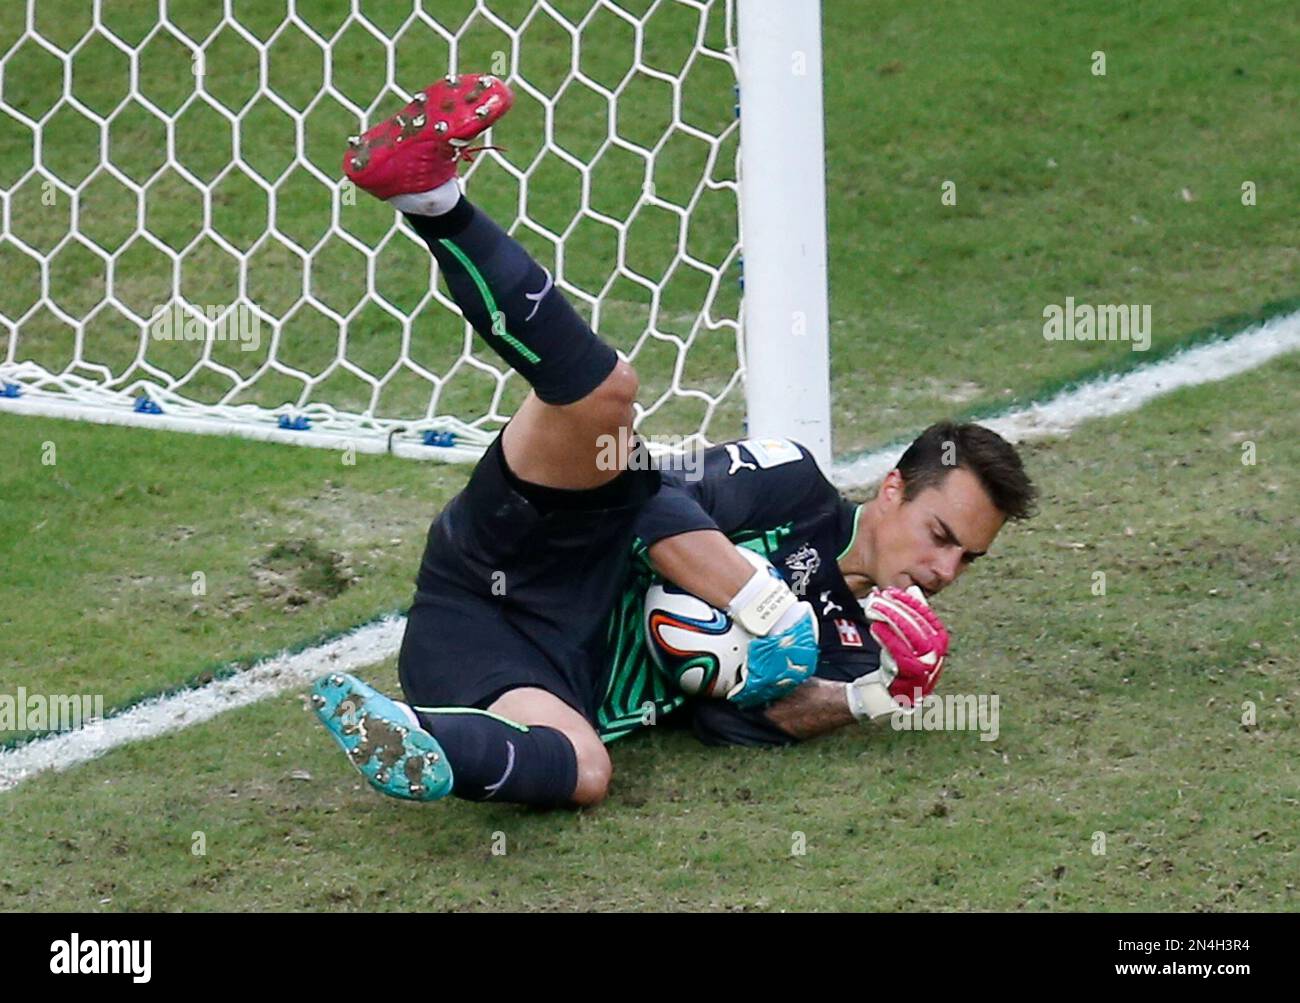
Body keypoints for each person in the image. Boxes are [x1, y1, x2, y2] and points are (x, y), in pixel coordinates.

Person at [311, 74, 1036, 810]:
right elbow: (654, 497)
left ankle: (416, 733)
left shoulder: (858, 649)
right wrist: (765, 604)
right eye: (941, 534)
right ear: (892, 488)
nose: (945, 569)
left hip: (505, 661)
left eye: (967, 557)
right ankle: (432, 200)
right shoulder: (790, 481)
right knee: (606, 401)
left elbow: (731, 721)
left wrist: (868, 695)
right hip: (529, 554)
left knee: (585, 770)